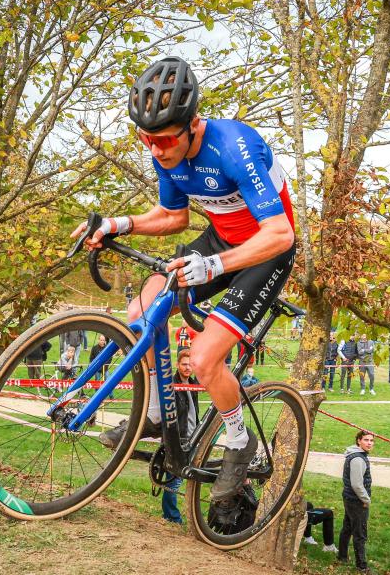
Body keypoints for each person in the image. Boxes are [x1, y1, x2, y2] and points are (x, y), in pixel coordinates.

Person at [80, 56, 297, 506]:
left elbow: (281, 234)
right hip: (220, 239)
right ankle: (160, 416)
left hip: (265, 252)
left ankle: (239, 441)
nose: (155, 149)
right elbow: (173, 216)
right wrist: (120, 224)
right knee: (142, 310)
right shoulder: (166, 152)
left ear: (193, 124)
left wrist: (215, 268)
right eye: (145, 138)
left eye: (162, 139)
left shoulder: (237, 147)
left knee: (201, 358)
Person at [160, 346, 200, 524]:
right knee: (174, 479)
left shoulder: (193, 384)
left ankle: (175, 514)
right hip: (178, 438)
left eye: (190, 364)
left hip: (193, 436)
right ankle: (171, 516)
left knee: (189, 476)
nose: (187, 368)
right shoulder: (172, 385)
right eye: (184, 364)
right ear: (177, 365)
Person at [338, 430, 375, 573]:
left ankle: (342, 556)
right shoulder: (358, 459)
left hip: (349, 498)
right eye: (366, 440)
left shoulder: (356, 455)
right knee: (360, 533)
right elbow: (357, 484)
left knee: (347, 527)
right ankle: (362, 565)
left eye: (371, 441)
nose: (369, 443)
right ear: (359, 441)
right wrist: (366, 500)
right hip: (356, 500)